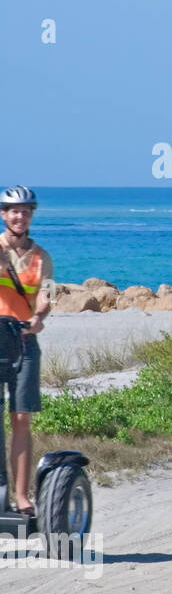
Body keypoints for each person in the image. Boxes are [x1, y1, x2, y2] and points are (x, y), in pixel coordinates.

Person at [0, 186, 53, 515]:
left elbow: (47, 294)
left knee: (21, 418)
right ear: (4, 214)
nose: (20, 216)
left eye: (26, 211)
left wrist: (37, 317)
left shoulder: (41, 256)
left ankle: (21, 496)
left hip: (23, 341)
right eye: (14, 210)